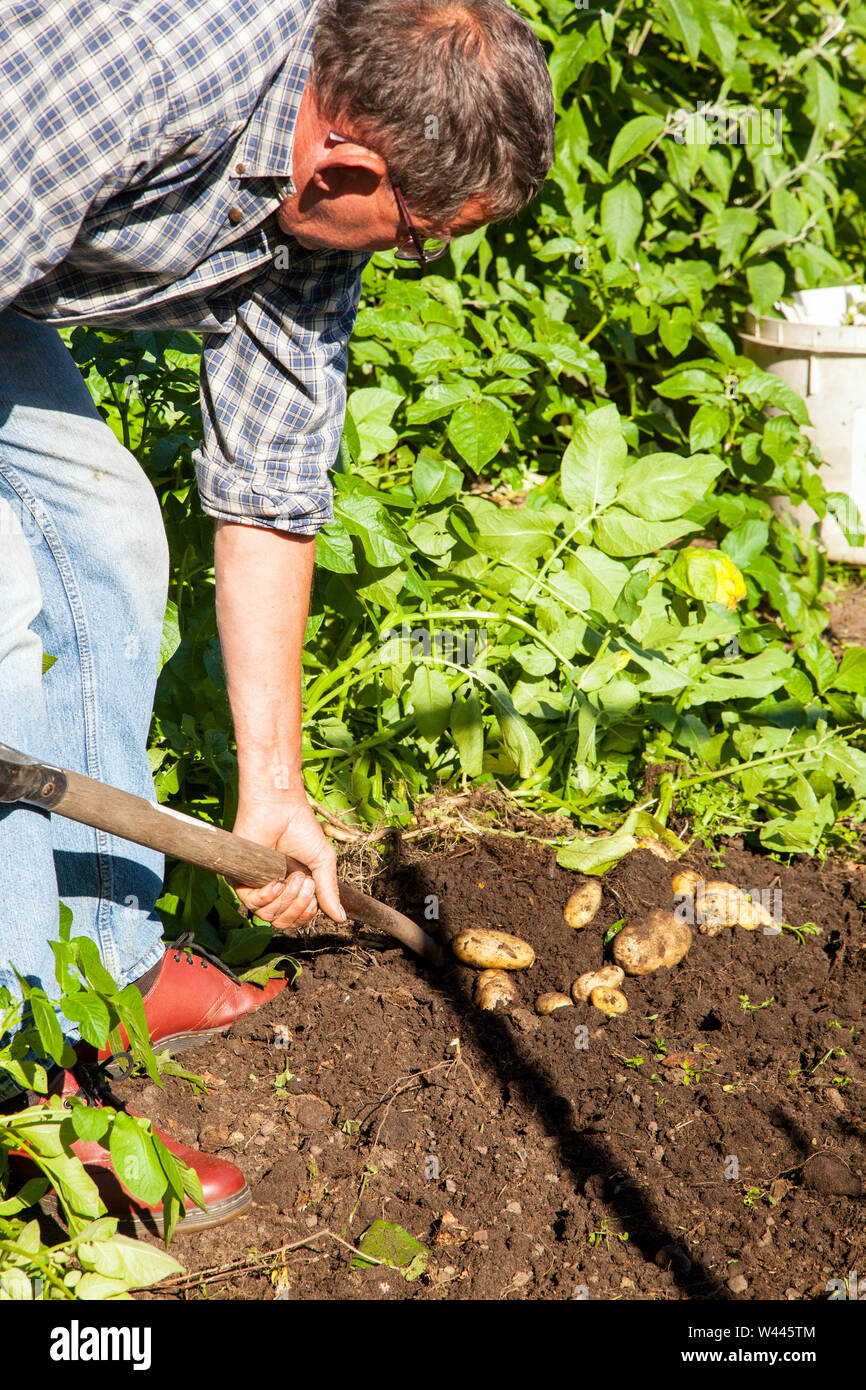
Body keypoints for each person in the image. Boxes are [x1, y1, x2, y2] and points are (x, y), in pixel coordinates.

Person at [0, 0, 554, 1229]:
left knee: (103, 530)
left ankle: (107, 964)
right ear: (348, 164)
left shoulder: (320, 199)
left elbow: (269, 481)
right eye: (414, 237)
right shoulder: (120, 74)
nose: (400, 258)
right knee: (7, 608)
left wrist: (275, 787)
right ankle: (30, 1074)